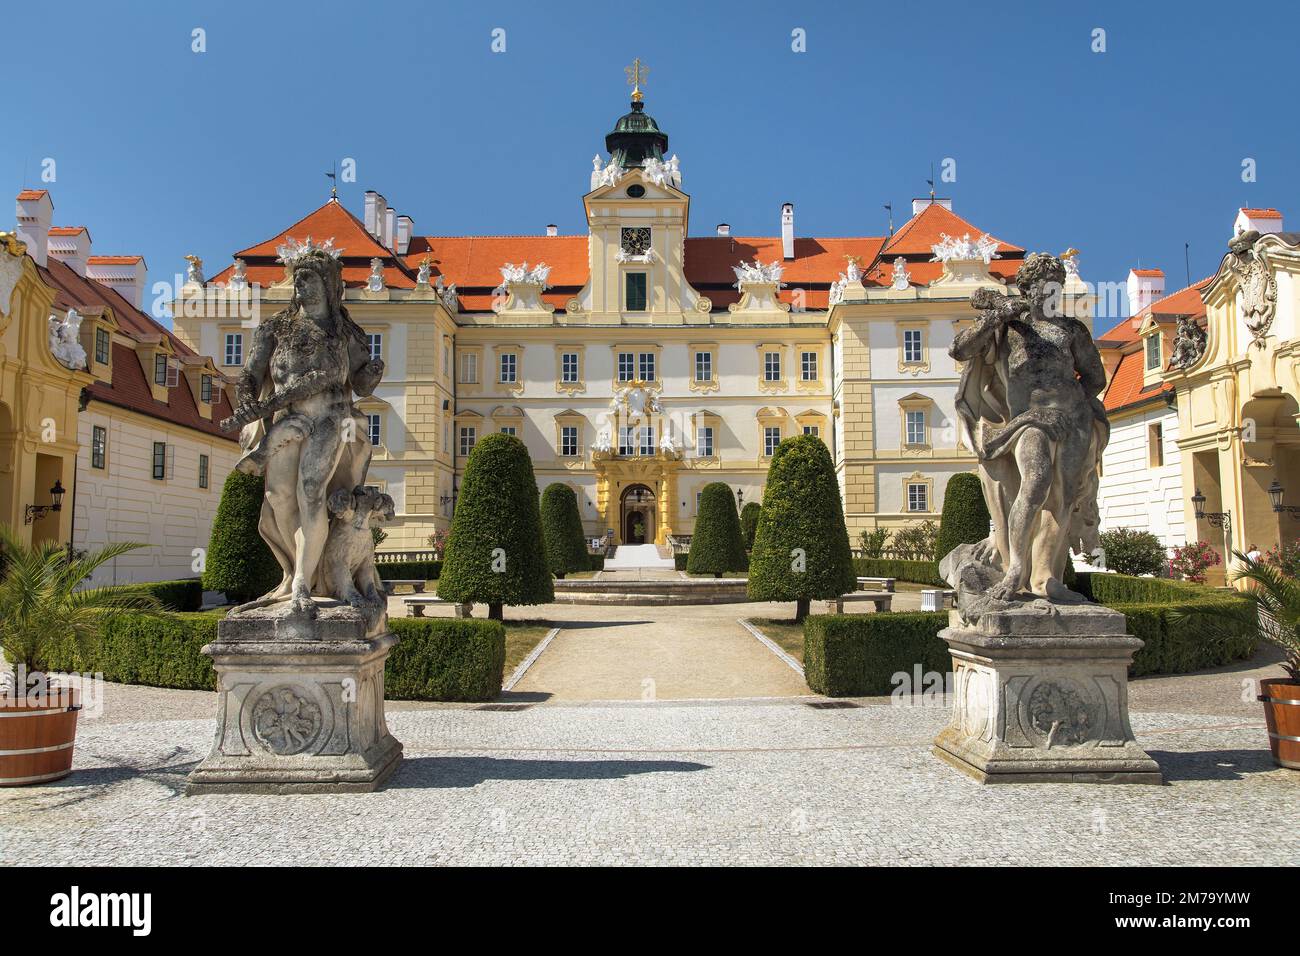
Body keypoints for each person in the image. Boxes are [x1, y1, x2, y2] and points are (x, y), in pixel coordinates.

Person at [951, 252, 1109, 604]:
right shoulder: (1009, 328)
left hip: (1074, 419)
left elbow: (1095, 378)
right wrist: (995, 318)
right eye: (1043, 287)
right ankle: (1015, 568)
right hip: (1029, 419)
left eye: (1056, 286)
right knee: (1036, 484)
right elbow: (959, 349)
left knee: (1064, 497)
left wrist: (1073, 404)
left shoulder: (1072, 330)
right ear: (1028, 289)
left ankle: (1047, 578)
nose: (1051, 293)